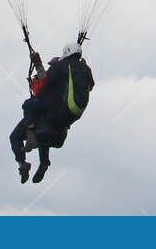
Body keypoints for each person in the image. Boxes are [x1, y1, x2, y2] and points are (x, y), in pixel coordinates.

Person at [9, 41, 94, 183]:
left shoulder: (60, 66)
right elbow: (90, 85)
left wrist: (38, 75)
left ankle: (24, 158)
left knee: (27, 105)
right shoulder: (84, 69)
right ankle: (43, 163)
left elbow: (43, 87)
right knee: (43, 136)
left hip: (55, 110)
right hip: (68, 116)